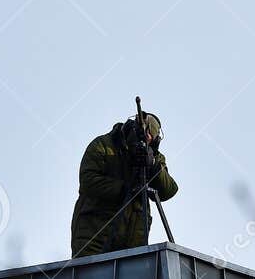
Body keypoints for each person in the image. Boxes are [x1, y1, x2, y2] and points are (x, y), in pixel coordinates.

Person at [70, 109, 179, 258]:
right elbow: (88, 180)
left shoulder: (154, 157)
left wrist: (152, 165)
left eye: (148, 139)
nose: (141, 142)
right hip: (95, 237)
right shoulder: (103, 145)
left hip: (132, 244)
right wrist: (124, 190)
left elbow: (169, 190)